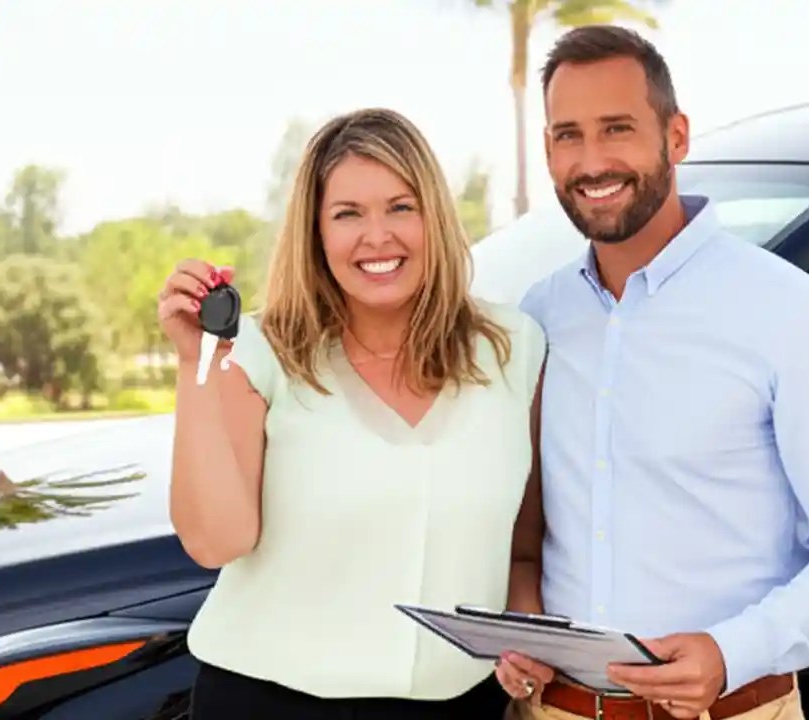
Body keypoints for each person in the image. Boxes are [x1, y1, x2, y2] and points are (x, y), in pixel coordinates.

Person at [492, 25, 809, 720]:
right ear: (547, 150)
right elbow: (529, 540)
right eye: (568, 135)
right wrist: (524, 623)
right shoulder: (539, 318)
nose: (592, 160)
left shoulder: (786, 312)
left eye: (617, 129)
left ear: (677, 136)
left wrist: (731, 651)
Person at [158, 107, 546, 719]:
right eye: (347, 214)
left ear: (434, 218)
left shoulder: (514, 348)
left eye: (401, 207)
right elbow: (215, 541)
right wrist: (193, 365)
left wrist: (527, 632)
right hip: (269, 703)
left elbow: (525, 545)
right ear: (315, 232)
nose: (377, 236)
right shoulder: (260, 353)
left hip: (460, 705)